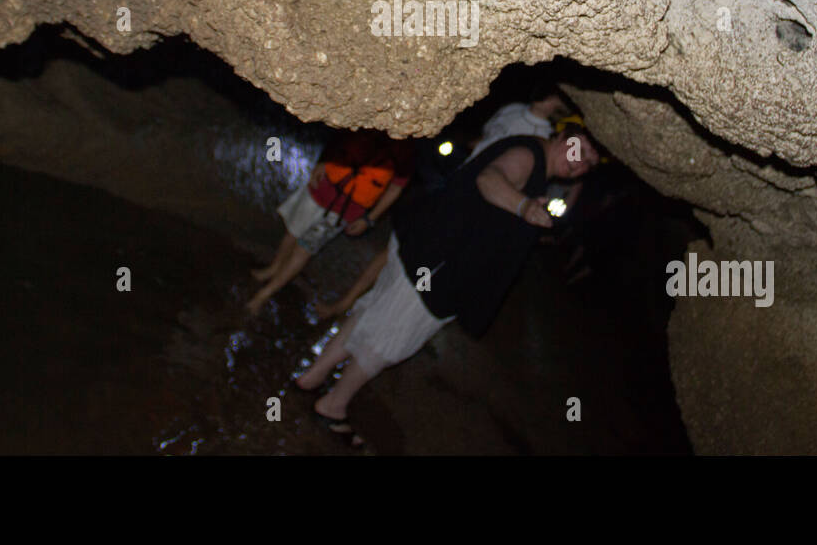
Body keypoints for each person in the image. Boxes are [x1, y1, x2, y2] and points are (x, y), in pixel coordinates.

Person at [296, 125, 600, 443]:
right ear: (564, 137)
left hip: (422, 249)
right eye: (580, 150)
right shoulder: (527, 156)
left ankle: (312, 376)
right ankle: (333, 406)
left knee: (373, 312)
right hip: (434, 273)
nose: (580, 163)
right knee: (387, 340)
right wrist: (524, 208)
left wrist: (521, 206)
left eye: (588, 163)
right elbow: (490, 180)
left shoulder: (534, 155)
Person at [315, 87, 574, 319]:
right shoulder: (513, 110)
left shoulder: (542, 138)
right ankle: (349, 302)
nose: (548, 89)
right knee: (401, 241)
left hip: (472, 203)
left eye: (556, 92)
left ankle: (370, 314)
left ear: (558, 103)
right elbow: (486, 137)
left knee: (420, 259)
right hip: (458, 179)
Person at [248, 130, 413, 316]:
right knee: (293, 232)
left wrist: (369, 219)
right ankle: (273, 268)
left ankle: (264, 294)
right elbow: (339, 139)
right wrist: (323, 161)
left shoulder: (405, 153)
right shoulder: (367, 122)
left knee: (303, 250)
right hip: (322, 188)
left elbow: (394, 189)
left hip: (343, 211)